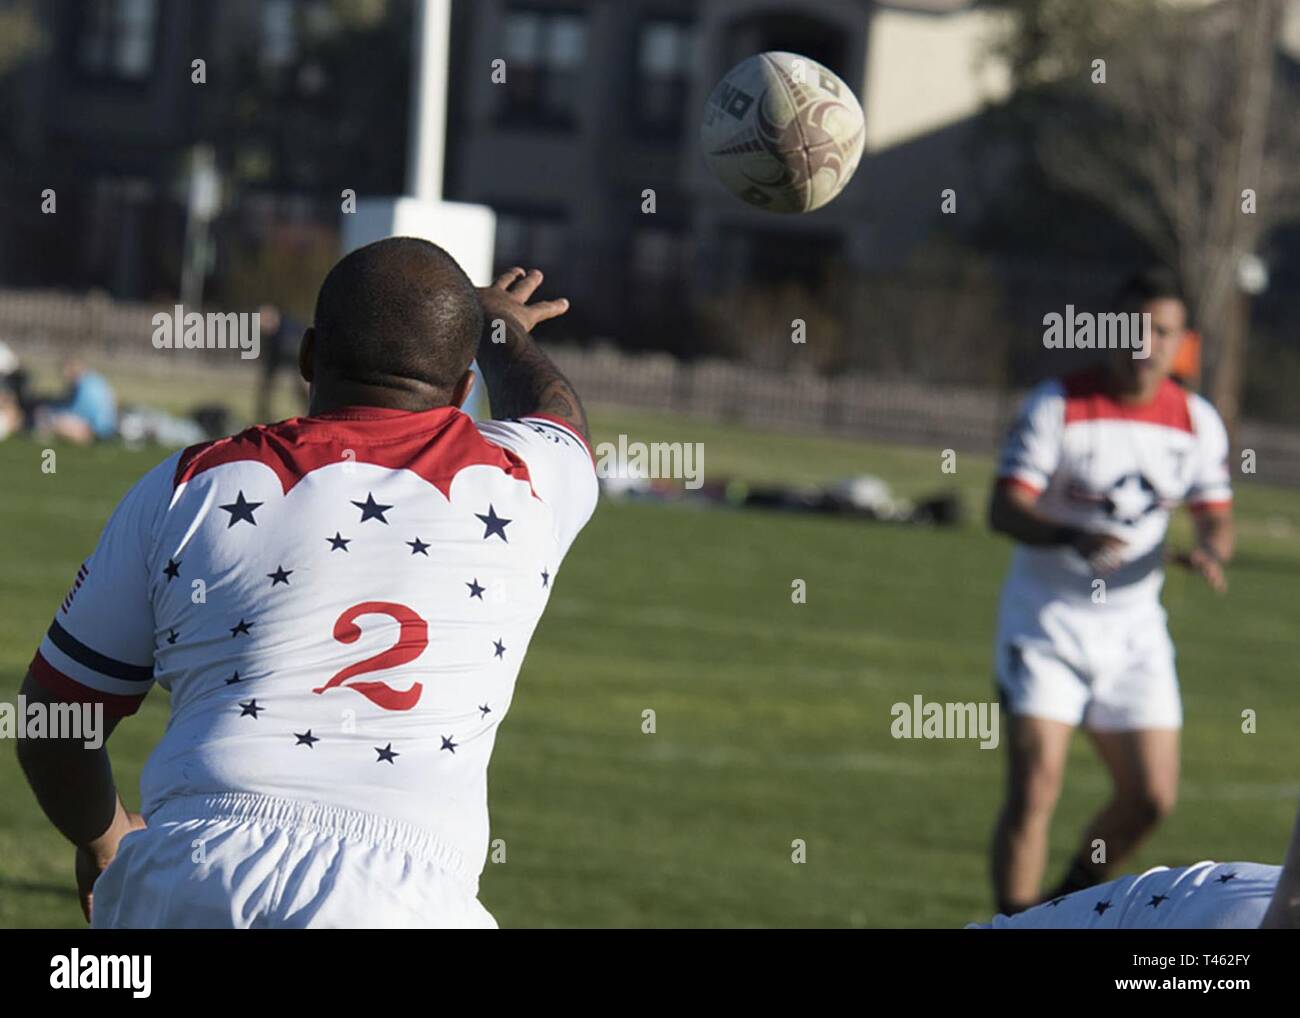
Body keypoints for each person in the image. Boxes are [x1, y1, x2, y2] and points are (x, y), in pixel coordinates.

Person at [15, 238, 597, 928]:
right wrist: (498, 331)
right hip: (407, 903)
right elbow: (560, 416)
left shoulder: (191, 484)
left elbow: (52, 720)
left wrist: (106, 839)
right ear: (465, 390)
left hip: (193, 871)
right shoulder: (529, 483)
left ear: (309, 359)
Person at [987, 267, 1235, 916]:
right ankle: (1014, 923)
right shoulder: (1059, 403)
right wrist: (1072, 536)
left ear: (1182, 340)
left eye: (1163, 330)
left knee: (1151, 798)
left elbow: (1215, 514)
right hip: (1047, 623)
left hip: (1133, 632)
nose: (1145, 342)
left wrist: (1210, 550)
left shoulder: (1196, 421)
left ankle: (1062, 906)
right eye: (1133, 326)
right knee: (1036, 788)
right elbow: (1003, 507)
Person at [35, 358, 117, 443]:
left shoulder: (86, 385)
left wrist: (55, 412)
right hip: (105, 426)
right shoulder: (93, 379)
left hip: (98, 429)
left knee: (52, 418)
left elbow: (79, 412)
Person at [254, 303, 309, 422]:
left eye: (265, 319)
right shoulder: (273, 335)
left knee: (301, 385)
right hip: (278, 354)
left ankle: (307, 409)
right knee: (266, 385)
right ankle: (264, 411)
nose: (262, 325)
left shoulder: (289, 328)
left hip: (294, 353)